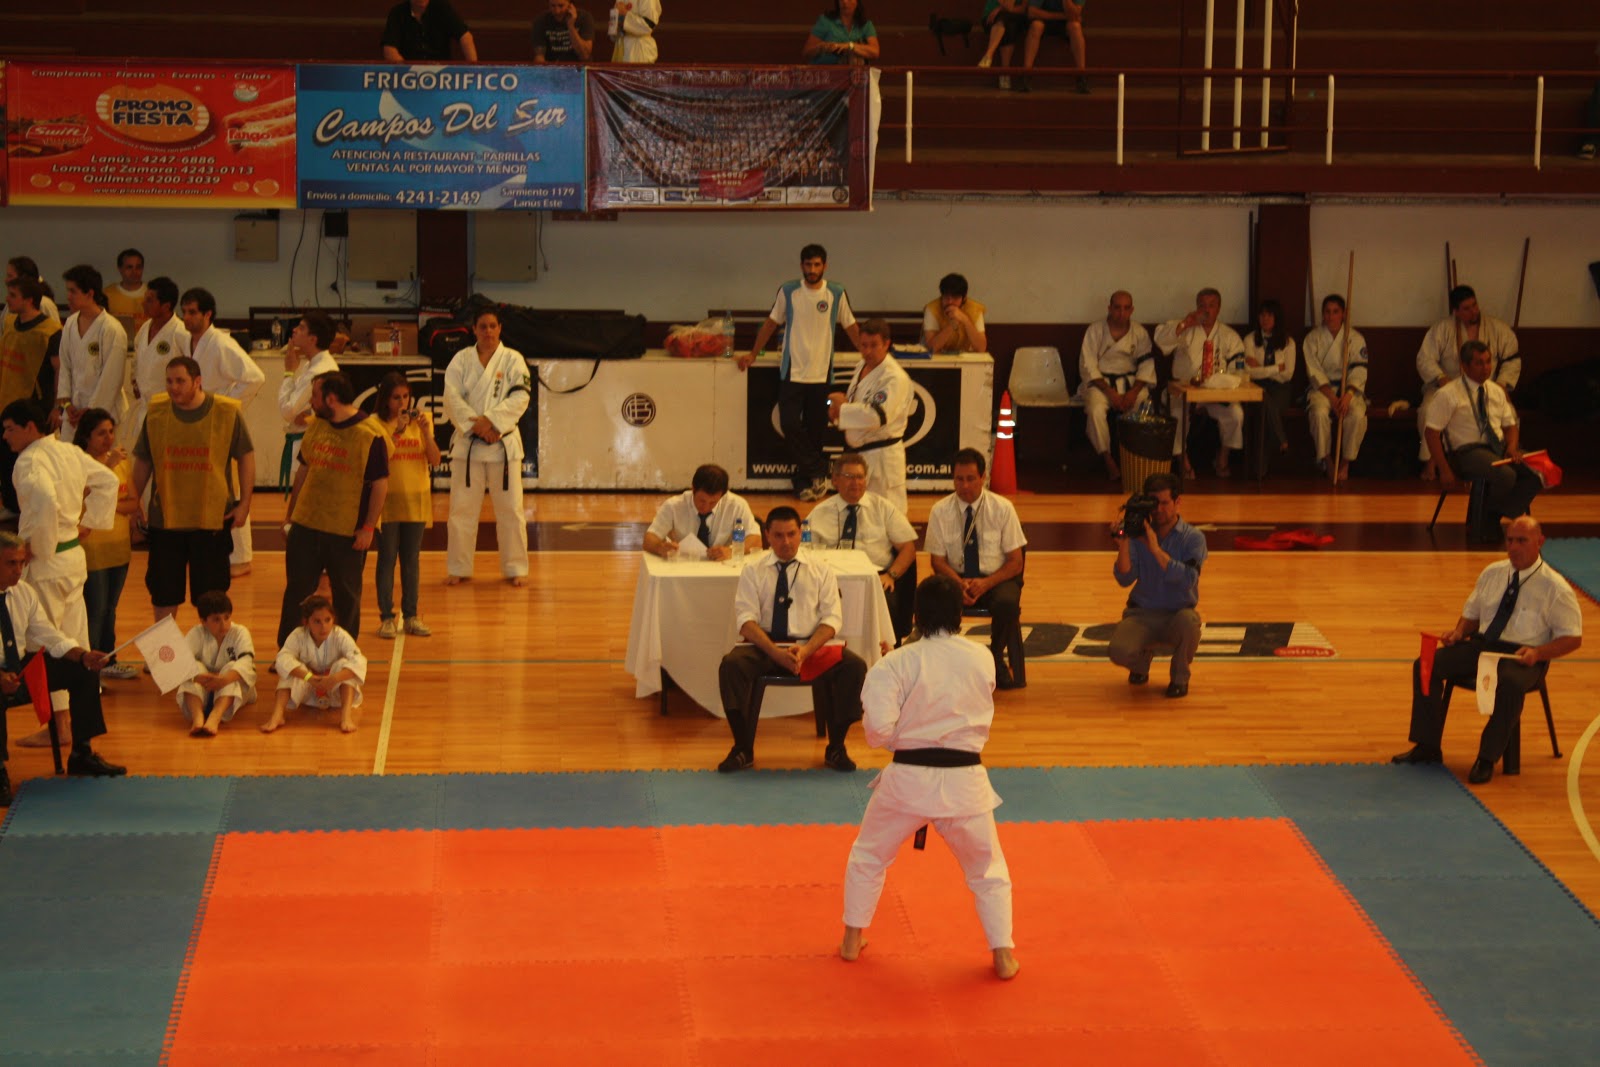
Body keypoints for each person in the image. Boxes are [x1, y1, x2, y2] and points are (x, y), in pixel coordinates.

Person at [840, 574, 1018, 980]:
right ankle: (1003, 954)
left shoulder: (894, 664)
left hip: (907, 781)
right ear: (960, 615)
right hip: (965, 783)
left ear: (916, 616)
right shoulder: (982, 657)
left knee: (868, 855)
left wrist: (906, 727)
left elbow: (877, 733)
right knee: (988, 869)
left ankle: (852, 939)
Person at [1394, 516, 1582, 785]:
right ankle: (1427, 746)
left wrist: (1539, 653)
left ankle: (1486, 757)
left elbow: (1573, 638)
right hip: (1483, 644)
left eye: (1522, 541)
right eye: (1510, 540)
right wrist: (1459, 632)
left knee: (1511, 683)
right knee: (1426, 663)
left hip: (1523, 655)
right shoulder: (1493, 573)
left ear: (1540, 542)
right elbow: (1471, 615)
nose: (1513, 547)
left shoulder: (1556, 587)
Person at [3, 398, 119, 748]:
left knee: (47, 644)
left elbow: (43, 499)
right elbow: (107, 481)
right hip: (72, 558)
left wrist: (35, 548)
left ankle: (60, 725)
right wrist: (89, 523)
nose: (5, 436)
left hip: (47, 560)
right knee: (74, 638)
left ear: (30, 427)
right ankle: (74, 729)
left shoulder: (29, 460)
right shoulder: (69, 452)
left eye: (10, 429)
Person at [717, 505, 867, 773]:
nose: (786, 542)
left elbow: (832, 620)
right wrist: (775, 652)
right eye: (778, 535)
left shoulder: (821, 570)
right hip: (765, 645)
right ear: (767, 535)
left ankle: (837, 746)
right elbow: (746, 622)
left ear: (801, 533)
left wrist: (806, 650)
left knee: (854, 667)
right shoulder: (753, 570)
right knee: (731, 666)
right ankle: (742, 747)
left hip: (810, 646)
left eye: (791, 534)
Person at [0, 530, 126, 807]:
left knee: (83, 672)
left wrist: (83, 656)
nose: (19, 570)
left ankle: (82, 753)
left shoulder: (24, 593)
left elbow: (49, 636)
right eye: (11, 563)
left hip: (19, 668)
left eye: (22, 563)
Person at [131, 356, 255, 623]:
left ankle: (211, 646)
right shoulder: (157, 413)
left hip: (211, 520)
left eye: (180, 381)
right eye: (169, 381)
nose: (173, 387)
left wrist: (244, 503)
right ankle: (166, 649)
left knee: (211, 598)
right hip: (165, 519)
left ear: (197, 381)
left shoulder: (226, 412)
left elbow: (246, 456)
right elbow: (143, 460)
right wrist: (133, 502)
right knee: (163, 594)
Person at [742, 244, 862, 502]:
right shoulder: (788, 291)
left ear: (825, 266)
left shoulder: (836, 293)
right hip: (792, 372)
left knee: (815, 431)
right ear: (801, 266)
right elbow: (771, 323)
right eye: (808, 265)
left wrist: (869, 353)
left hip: (821, 374)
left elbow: (851, 326)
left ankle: (804, 483)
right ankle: (819, 470)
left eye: (817, 265)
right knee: (789, 424)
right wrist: (753, 353)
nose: (812, 270)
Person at [277, 372, 389, 645]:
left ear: (331, 399)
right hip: (307, 525)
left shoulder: (370, 434)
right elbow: (303, 470)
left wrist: (368, 527)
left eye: (314, 396)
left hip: (346, 531)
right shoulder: (317, 425)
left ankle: (345, 653)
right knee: (296, 592)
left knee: (346, 596)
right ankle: (288, 651)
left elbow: (380, 485)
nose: (310, 402)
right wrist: (291, 516)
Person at [180, 287, 265, 578]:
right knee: (209, 486)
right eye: (184, 311)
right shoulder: (188, 341)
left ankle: (240, 556)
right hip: (199, 422)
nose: (187, 317)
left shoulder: (220, 343)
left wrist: (224, 405)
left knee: (230, 487)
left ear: (208, 314)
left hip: (220, 420)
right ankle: (213, 548)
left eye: (193, 312)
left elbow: (254, 377)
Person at [924, 447, 1027, 689]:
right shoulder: (940, 510)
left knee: (1007, 604)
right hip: (955, 577)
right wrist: (957, 583)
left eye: (971, 479)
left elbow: (1016, 562)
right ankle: (940, 662)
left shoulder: (1002, 508)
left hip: (995, 578)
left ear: (983, 477)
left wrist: (986, 583)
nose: (965, 485)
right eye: (959, 479)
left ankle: (995, 657)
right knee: (929, 598)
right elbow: (937, 561)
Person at [443, 306, 530, 586]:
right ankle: (459, 567)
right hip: (469, 444)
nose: (488, 331)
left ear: (500, 328)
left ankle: (515, 568)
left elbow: (521, 397)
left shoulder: (513, 360)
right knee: (461, 510)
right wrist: (478, 427)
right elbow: (451, 398)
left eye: (493, 326)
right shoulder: (461, 360)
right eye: (483, 326)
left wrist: (492, 422)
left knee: (511, 511)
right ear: (474, 330)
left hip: (503, 444)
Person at [1423, 340, 1542, 539]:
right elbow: (1431, 433)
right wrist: (1443, 469)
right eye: (1479, 363)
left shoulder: (1496, 391)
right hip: (1466, 452)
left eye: (1488, 361)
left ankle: (1490, 515)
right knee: (1506, 475)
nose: (1486, 368)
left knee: (1538, 471)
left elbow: (1510, 426)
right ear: (1464, 366)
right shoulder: (1448, 394)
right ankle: (1485, 519)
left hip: (1498, 447)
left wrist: (1512, 447)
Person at [1107, 471, 1206, 699]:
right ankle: (1141, 663)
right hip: (1142, 614)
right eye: (1154, 503)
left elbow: (1188, 579)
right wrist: (1124, 544)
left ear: (1178, 502)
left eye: (1165, 503)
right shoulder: (1137, 534)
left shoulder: (1193, 538)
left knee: (1190, 624)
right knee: (1118, 651)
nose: (1159, 509)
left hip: (1177, 614)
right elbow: (1124, 579)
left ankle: (1179, 678)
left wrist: (1155, 548)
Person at [807, 453, 918, 642]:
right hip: (831, 581)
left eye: (860, 477)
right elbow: (805, 552)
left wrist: (891, 575)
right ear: (835, 480)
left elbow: (908, 548)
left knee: (889, 603)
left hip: (876, 579)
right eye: (849, 477)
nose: (856, 483)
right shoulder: (819, 513)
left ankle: (887, 651)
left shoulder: (883, 507)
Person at [1416, 284, 1520, 470]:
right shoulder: (1441, 329)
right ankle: (1432, 462)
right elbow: (1424, 359)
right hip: (1448, 386)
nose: (1474, 312)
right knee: (1427, 410)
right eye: (1466, 309)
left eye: (1474, 305)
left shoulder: (1497, 328)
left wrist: (1502, 383)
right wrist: (1441, 378)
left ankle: (1502, 454)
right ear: (1456, 311)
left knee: (1509, 412)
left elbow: (1512, 359)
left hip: (1485, 386)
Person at [74, 408, 140, 682]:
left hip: (119, 547)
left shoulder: (122, 462)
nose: (109, 438)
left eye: (111, 432)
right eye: (101, 433)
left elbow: (133, 503)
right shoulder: (79, 465)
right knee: (96, 610)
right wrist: (107, 469)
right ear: (86, 437)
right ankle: (89, 666)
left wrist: (110, 506)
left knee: (110, 609)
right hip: (93, 550)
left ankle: (109, 660)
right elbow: (80, 499)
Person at [374, 372, 440, 639]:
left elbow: (435, 459)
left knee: (411, 561)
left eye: (406, 396)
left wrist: (426, 433)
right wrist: (398, 432)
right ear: (385, 400)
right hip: (387, 501)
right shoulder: (375, 423)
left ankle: (411, 616)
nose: (402, 403)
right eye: (396, 398)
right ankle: (386, 617)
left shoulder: (423, 421)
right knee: (387, 559)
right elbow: (379, 459)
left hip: (416, 499)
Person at [1154, 287, 1246, 477]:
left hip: (1216, 393)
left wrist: (1219, 383)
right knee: (1177, 415)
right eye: (1202, 306)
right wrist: (1185, 323)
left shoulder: (1229, 335)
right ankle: (1183, 460)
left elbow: (1237, 370)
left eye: (1211, 306)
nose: (1206, 310)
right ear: (1196, 307)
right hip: (1183, 389)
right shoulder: (1186, 327)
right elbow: (1161, 342)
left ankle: (1223, 457)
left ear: (1219, 308)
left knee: (1236, 414)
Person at [828, 318, 913, 514]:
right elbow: (856, 403)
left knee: (888, 516)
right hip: (860, 456)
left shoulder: (894, 377)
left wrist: (843, 409)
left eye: (874, 345)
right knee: (862, 515)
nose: (867, 351)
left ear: (886, 344)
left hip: (883, 459)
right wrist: (838, 414)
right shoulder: (862, 366)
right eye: (863, 345)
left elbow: (876, 417)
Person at [1078, 289, 1155, 481]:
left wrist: (1133, 392)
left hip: (1130, 383)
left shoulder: (1139, 332)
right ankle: (1107, 458)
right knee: (1095, 409)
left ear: (1132, 310)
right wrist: (1110, 393)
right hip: (1100, 384)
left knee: (1143, 404)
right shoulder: (1095, 330)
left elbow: (1146, 365)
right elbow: (1088, 366)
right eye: (1117, 308)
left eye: (1126, 308)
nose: (1121, 313)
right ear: (1109, 308)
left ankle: (1134, 457)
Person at [0, 276, 61, 516]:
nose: (7, 299)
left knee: (31, 461)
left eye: (13, 295)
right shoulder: (10, 322)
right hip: (7, 400)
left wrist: (57, 406)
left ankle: (31, 509)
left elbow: (58, 371)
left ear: (29, 300)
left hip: (34, 405)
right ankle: (11, 506)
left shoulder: (50, 331)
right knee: (6, 458)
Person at [265, 594, 368, 734]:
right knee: (291, 669)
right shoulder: (298, 635)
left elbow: (359, 660)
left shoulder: (340, 635)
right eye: (317, 621)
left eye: (327, 620)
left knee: (345, 665)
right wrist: (309, 677)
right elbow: (283, 658)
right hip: (308, 688)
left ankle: (346, 717)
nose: (323, 626)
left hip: (334, 690)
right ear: (306, 622)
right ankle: (277, 716)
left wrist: (334, 678)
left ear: (333, 619)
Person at [55, 264, 128, 445]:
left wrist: (91, 412)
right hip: (73, 412)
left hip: (104, 413)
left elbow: (111, 379)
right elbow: (65, 366)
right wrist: (67, 404)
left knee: (101, 459)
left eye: (73, 291)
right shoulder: (70, 324)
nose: (68, 296)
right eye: (68, 290)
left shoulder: (112, 329)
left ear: (90, 293)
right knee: (69, 459)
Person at [1302, 293, 1370, 483]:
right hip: (1322, 389)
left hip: (1349, 389)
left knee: (1357, 415)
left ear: (1344, 314)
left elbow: (1360, 369)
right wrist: (1332, 398)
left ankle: (1345, 462)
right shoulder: (1312, 338)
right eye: (1327, 312)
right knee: (1318, 413)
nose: (1331, 316)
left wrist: (1348, 395)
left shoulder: (1355, 338)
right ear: (1322, 314)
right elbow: (1314, 371)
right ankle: (1327, 460)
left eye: (1335, 312)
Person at [177, 589, 257, 737]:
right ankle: (197, 717)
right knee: (193, 668)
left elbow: (247, 662)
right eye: (216, 619)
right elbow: (181, 662)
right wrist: (196, 676)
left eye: (227, 617)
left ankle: (215, 717)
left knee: (232, 667)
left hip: (232, 687)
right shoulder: (197, 633)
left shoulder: (240, 632)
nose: (224, 624)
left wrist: (224, 679)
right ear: (203, 621)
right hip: (205, 687)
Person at [642, 462, 761, 562]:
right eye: (702, 500)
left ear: (723, 495)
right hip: (685, 567)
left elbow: (756, 539)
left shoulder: (737, 505)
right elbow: (649, 539)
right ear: (693, 488)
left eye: (713, 502)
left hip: (722, 566)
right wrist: (660, 547)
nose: (706, 507)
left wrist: (731, 551)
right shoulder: (673, 506)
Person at [276, 310, 340, 490]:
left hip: (315, 446)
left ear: (313, 339)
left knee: (305, 499)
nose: (294, 330)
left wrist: (289, 372)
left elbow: (288, 410)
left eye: (301, 328)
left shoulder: (319, 371)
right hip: (309, 442)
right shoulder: (312, 365)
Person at [124, 276, 183, 451]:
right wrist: (135, 379)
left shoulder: (180, 333)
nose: (143, 303)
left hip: (170, 409)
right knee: (143, 458)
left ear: (166, 306)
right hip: (145, 406)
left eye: (150, 300)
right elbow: (136, 359)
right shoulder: (145, 328)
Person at [1241, 298, 1296, 459]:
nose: (1265, 319)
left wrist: (1260, 367)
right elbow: (1250, 373)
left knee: (1266, 407)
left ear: (1277, 318)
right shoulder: (1250, 339)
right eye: (1262, 315)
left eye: (1269, 315)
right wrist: (1276, 368)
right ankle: (1281, 441)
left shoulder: (1288, 342)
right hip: (1255, 385)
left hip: (1280, 387)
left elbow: (1288, 374)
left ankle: (1260, 463)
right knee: (1263, 404)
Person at [1018, 0, 1088, 94]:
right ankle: (1026, 73)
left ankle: (1081, 75)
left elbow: (1075, 15)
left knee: (1075, 27)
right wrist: (1062, 16)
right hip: (1045, 19)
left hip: (1065, 22)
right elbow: (1032, 12)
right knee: (1036, 26)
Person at [381, 0, 477, 62]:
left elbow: (465, 37)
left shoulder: (443, 8)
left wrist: (473, 69)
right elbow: (389, 49)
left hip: (442, 73)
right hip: (409, 74)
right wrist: (406, 71)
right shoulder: (397, 13)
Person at [922, 272, 987, 354]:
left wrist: (965, 320)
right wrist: (952, 325)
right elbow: (932, 348)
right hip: (938, 357)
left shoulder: (975, 309)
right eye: (946, 296)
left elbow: (981, 348)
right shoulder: (932, 308)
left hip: (965, 357)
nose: (950, 302)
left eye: (955, 297)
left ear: (964, 298)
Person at [804, 0, 879, 64]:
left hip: (855, 73)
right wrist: (821, 47)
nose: (844, 2)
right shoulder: (825, 21)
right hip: (825, 72)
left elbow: (875, 52)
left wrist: (849, 46)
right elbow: (806, 51)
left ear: (857, 2)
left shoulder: (866, 25)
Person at [977, 0, 1030, 79]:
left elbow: (1021, 9)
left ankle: (988, 55)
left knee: (1008, 22)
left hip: (1014, 18)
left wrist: (1000, 9)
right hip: (992, 18)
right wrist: (1003, 9)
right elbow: (1008, 6)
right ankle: (1005, 73)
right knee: (1006, 23)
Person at [4, 257, 59, 326]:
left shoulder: (44, 304)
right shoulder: (11, 302)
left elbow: (55, 330)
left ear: (24, 278)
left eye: (10, 276)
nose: (6, 280)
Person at [105, 248, 147, 333]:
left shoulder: (153, 294)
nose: (134, 272)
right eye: (129, 267)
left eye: (138, 267)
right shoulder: (107, 294)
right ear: (120, 269)